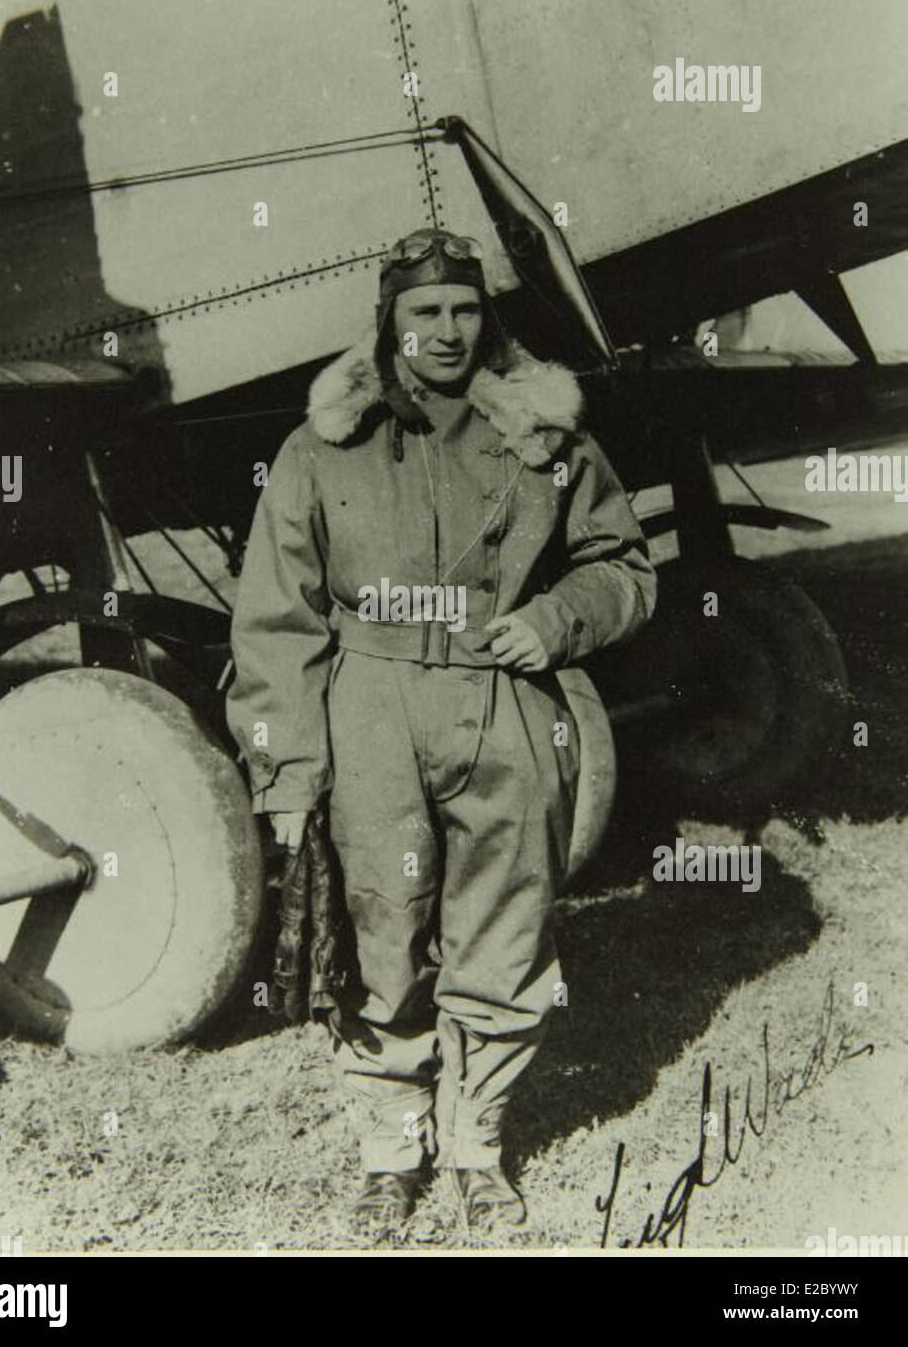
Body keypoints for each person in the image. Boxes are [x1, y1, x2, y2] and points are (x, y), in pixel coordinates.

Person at [227, 227, 656, 1232]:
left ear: (485, 316)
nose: (446, 330)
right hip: (368, 707)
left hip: (504, 706)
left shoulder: (546, 438)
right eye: (423, 312)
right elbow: (274, 618)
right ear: (388, 323)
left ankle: (476, 1151)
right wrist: (287, 771)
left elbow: (623, 567)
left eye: (464, 309)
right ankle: (389, 1154)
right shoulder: (320, 447)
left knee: (503, 936)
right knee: (381, 934)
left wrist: (552, 619)